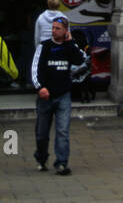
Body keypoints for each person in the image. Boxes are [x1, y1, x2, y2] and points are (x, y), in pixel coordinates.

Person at [31, 16, 89, 175]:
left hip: (63, 95)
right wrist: (40, 87)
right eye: (53, 28)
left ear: (65, 31)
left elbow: (81, 59)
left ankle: (62, 163)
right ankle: (41, 158)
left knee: (62, 131)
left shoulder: (69, 47)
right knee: (42, 133)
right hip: (46, 96)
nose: (54, 31)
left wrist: (70, 42)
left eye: (58, 28)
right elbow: (35, 69)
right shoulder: (45, 46)